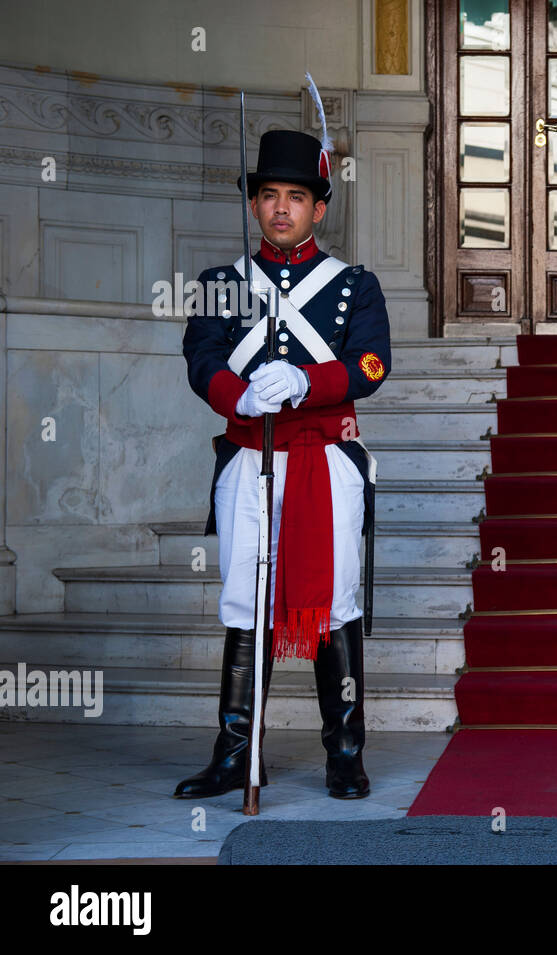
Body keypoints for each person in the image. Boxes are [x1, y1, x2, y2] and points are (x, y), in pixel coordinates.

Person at [176, 127, 390, 800]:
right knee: (245, 599)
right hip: (248, 456)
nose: (280, 209)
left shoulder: (355, 285)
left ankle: (346, 753)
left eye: (295, 197)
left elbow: (371, 363)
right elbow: (200, 357)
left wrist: (306, 382)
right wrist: (235, 391)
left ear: (318, 207)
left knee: (335, 599)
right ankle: (236, 753)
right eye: (268, 196)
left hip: (325, 459)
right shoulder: (221, 284)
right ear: (254, 205)